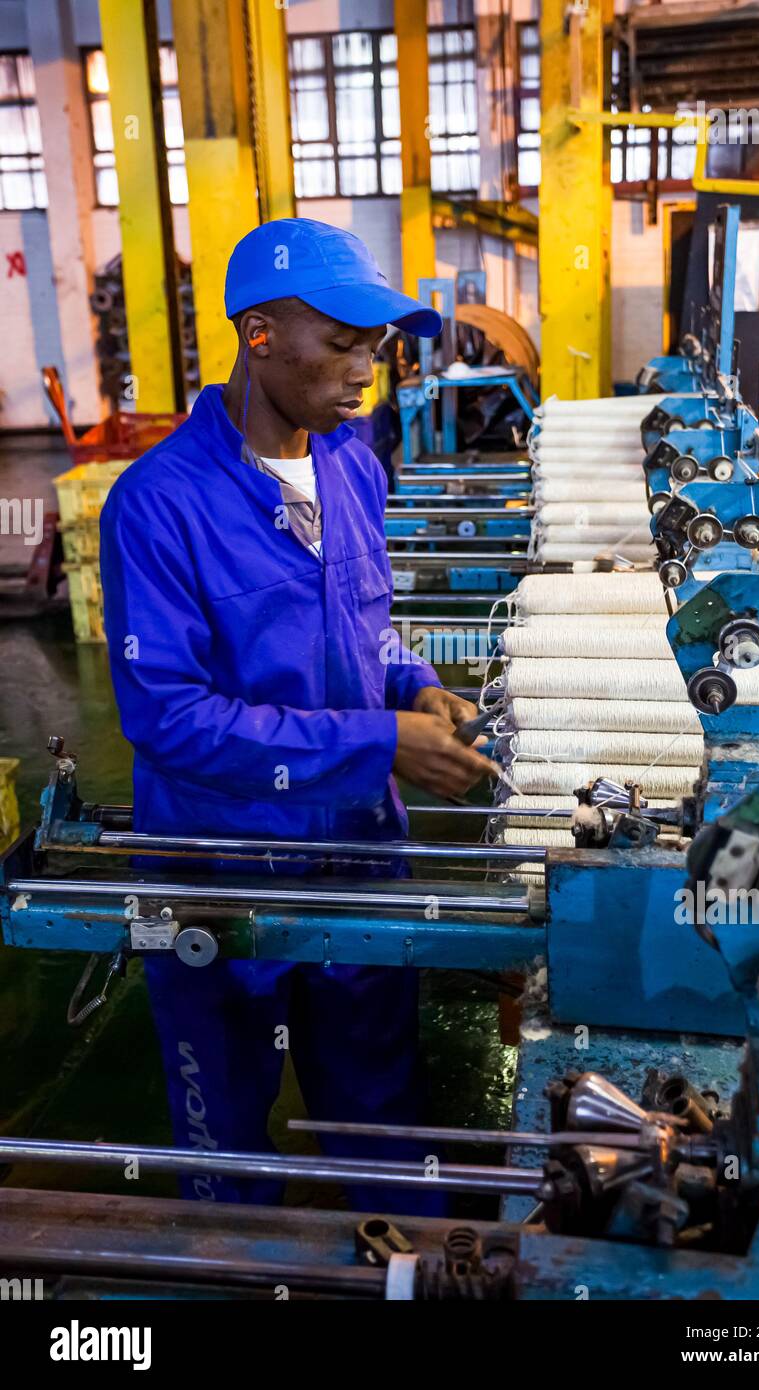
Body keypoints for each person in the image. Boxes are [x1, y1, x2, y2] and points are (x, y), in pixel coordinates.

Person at [100, 217, 494, 1211]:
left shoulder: (354, 462)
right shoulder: (157, 504)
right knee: (227, 1151)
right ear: (260, 333)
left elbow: (366, 627)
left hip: (360, 864)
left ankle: (405, 1275)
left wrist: (411, 687)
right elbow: (171, 719)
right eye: (343, 340)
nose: (367, 366)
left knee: (383, 1129)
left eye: (378, 343)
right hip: (220, 877)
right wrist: (377, 743)